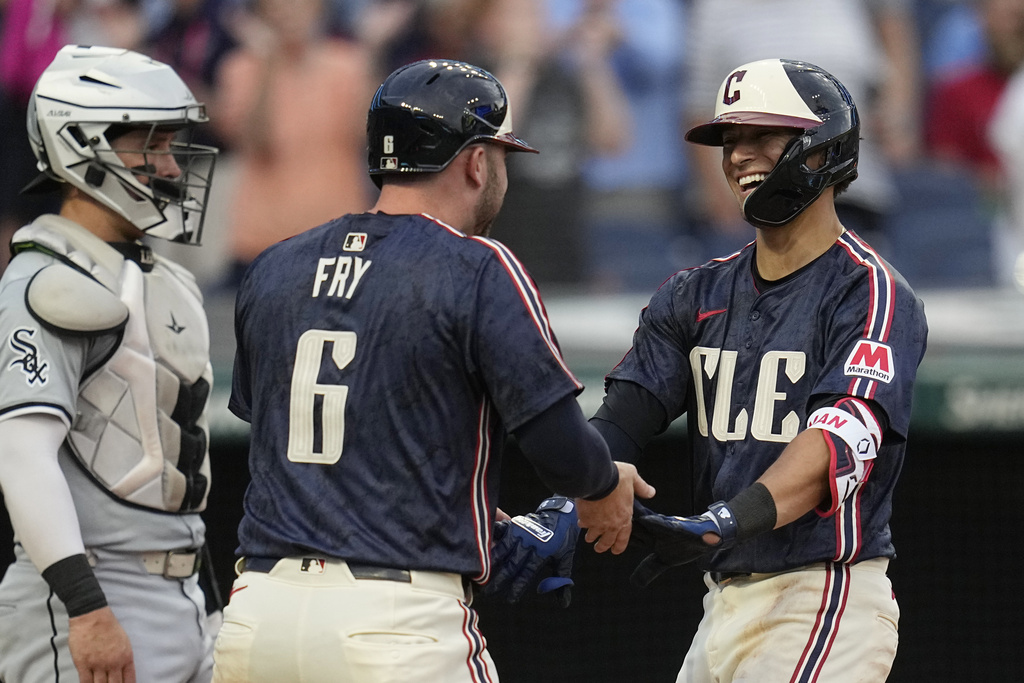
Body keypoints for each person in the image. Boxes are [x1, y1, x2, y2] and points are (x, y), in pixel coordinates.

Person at [210, 58, 650, 683]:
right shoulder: (476, 265)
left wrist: (457, 509)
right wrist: (602, 487)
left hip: (257, 618)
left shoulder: (276, 265)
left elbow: (298, 446)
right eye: (498, 155)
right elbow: (558, 448)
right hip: (395, 623)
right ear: (475, 161)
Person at [578, 59, 928, 681]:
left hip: (822, 596)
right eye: (730, 139)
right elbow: (621, 421)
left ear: (822, 147)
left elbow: (837, 444)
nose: (739, 155)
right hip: (723, 603)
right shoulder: (694, 292)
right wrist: (569, 495)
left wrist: (722, 522)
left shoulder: (869, 290)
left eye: (763, 134)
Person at [0, 45, 220, 682]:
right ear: (81, 145)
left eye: (170, 144)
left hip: (182, 591)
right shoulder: (44, 278)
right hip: (88, 594)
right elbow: (22, 457)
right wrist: (87, 608)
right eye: (149, 145)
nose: (171, 165)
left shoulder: (162, 278)